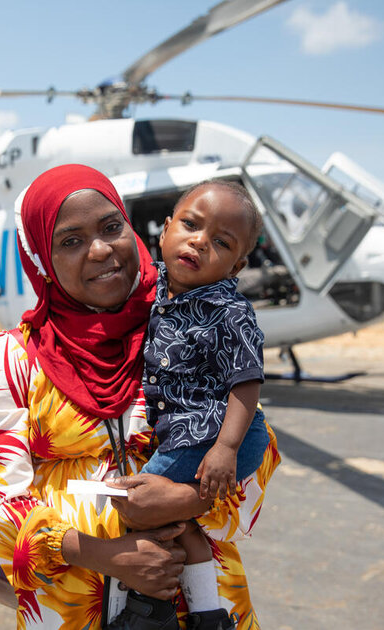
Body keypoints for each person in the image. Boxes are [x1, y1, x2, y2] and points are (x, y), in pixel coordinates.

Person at [0, 164, 280, 630]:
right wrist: (103, 554)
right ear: (43, 260)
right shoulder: (16, 356)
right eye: (70, 241)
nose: (100, 250)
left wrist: (189, 501)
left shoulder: (184, 317)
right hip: (74, 609)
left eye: (111, 227)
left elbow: (256, 449)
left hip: (204, 607)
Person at [137, 181, 270, 629]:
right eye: (190, 225)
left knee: (137, 505)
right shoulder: (157, 287)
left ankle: (150, 609)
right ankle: (208, 615)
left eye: (221, 242)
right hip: (192, 435)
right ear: (164, 231)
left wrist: (226, 449)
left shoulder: (228, 311)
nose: (199, 242)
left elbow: (246, 382)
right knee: (180, 524)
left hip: (217, 436)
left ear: (238, 265)